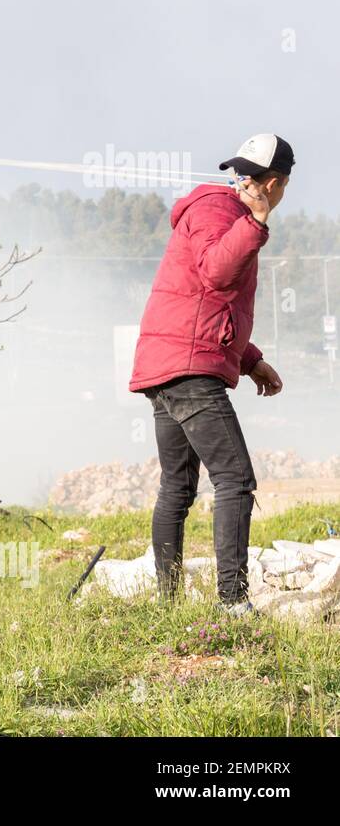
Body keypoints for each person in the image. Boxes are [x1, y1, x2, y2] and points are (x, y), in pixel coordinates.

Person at [129, 133, 294, 615]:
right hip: (188, 371)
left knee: (177, 489)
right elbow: (217, 275)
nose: (241, 182)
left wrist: (250, 359)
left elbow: (209, 309)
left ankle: (168, 605)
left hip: (171, 365)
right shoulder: (220, 211)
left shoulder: (222, 212)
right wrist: (259, 219)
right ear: (277, 183)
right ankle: (232, 603)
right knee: (235, 478)